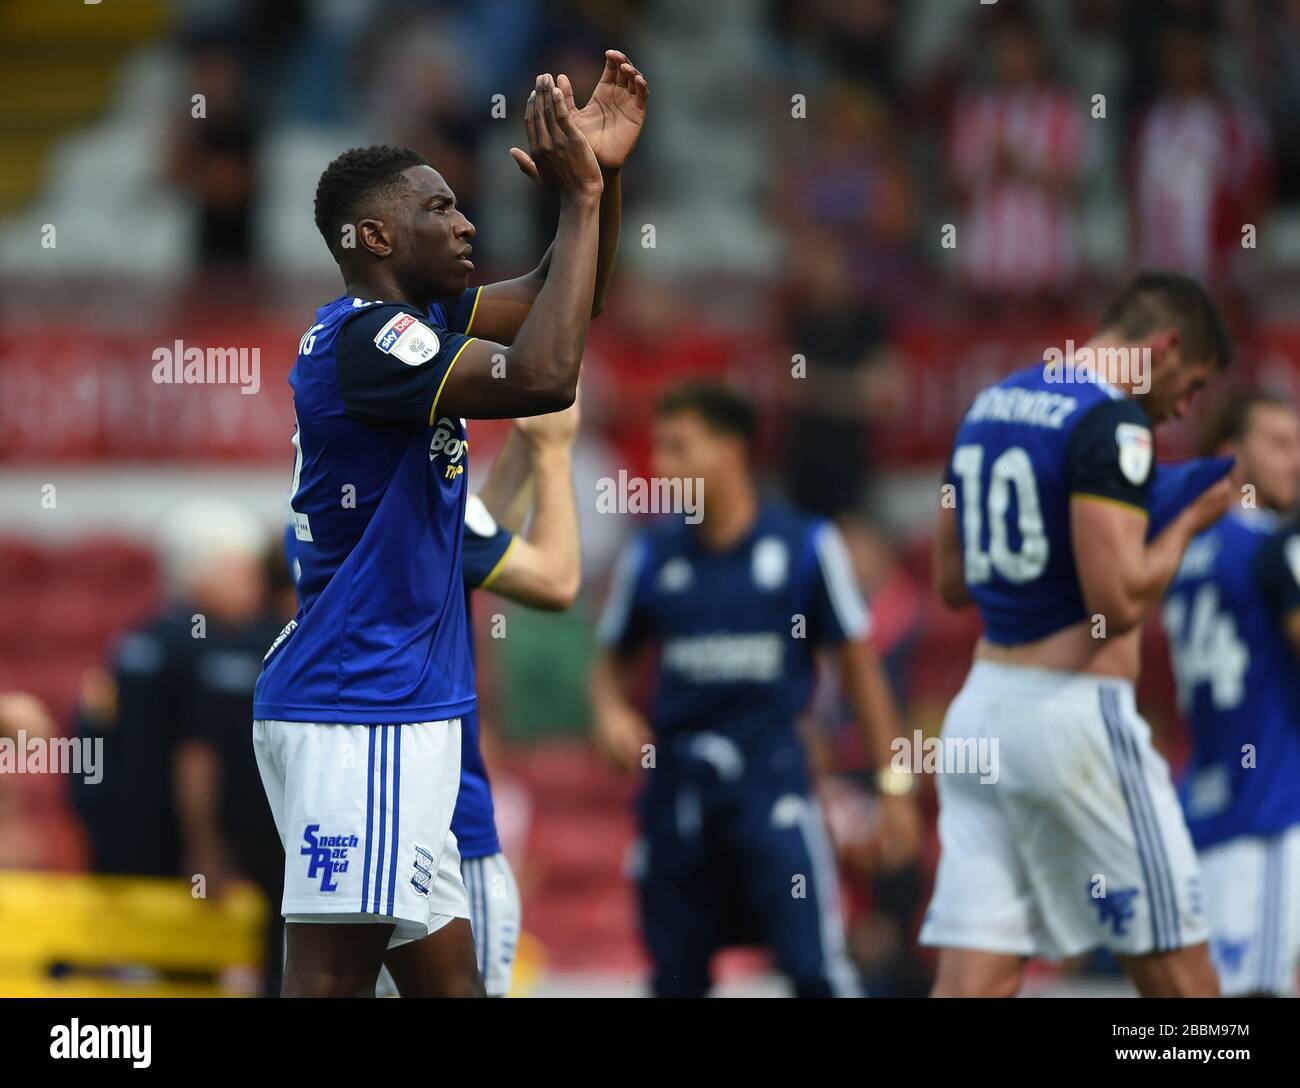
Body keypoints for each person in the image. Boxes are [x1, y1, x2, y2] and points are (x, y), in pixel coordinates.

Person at [252, 52, 647, 998]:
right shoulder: (373, 340)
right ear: (377, 234)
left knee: (451, 990)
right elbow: (545, 377)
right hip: (366, 702)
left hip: (389, 706)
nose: (468, 221)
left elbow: (574, 296)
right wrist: (580, 199)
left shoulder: (418, 320)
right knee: (329, 985)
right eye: (440, 210)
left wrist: (601, 179)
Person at [921, 271, 1233, 997]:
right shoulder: (1111, 420)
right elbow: (1117, 602)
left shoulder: (989, 404)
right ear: (1167, 345)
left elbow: (950, 580)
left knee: (974, 982)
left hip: (980, 717)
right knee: (1188, 993)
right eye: (1192, 386)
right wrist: (1187, 521)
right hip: (1073, 721)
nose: (1185, 409)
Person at [590, 381, 920, 997]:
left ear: (732, 450)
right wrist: (611, 713)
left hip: (774, 792)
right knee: (675, 983)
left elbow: (861, 671)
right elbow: (611, 661)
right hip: (677, 798)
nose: (662, 467)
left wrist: (894, 787)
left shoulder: (805, 547)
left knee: (816, 972)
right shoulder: (652, 556)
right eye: (660, 450)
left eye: (680, 449)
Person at [1162, 390, 1300, 997]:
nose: (1296, 461)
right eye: (1279, 444)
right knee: (1249, 1001)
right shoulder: (1274, 547)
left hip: (1207, 804)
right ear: (1230, 459)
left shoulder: (1181, 552)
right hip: (1269, 806)